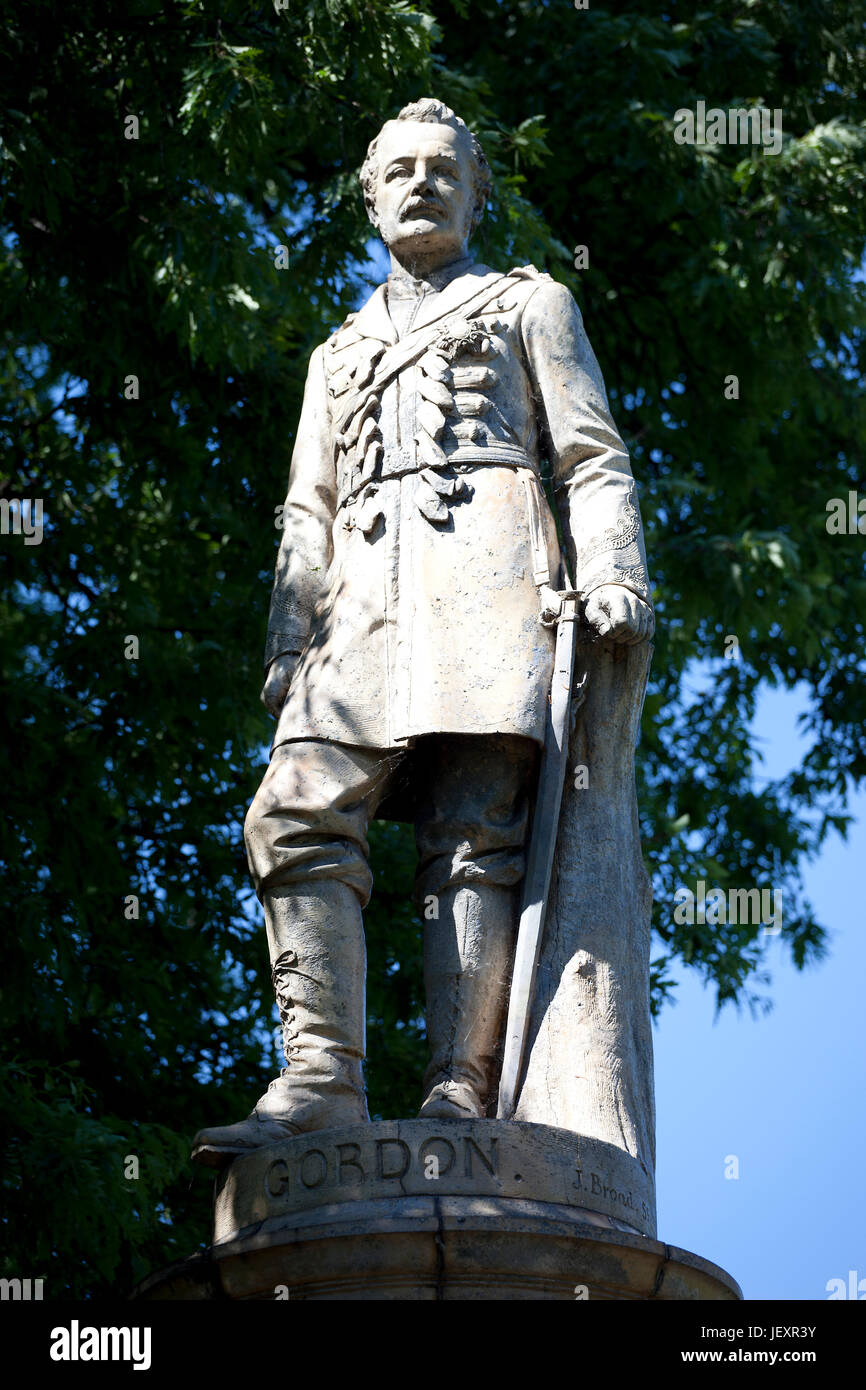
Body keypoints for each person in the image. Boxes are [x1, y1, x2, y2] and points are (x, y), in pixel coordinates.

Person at [191, 98, 653, 1166]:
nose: (421, 184)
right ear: (368, 195)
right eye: (398, 168)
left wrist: (613, 570)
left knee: (472, 838)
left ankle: (462, 1084)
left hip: (489, 579)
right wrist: (285, 638)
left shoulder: (528, 304)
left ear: (477, 192)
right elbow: (303, 510)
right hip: (358, 611)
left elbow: (590, 457)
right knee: (293, 813)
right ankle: (319, 1079)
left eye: (443, 168)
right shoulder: (334, 352)